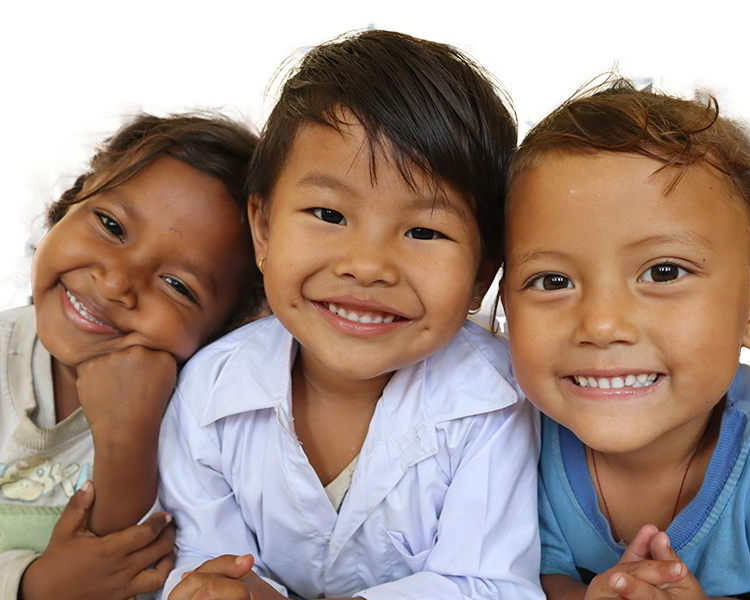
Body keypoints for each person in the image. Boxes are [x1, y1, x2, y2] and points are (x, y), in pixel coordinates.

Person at [158, 28, 543, 600]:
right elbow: (202, 563)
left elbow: (490, 587)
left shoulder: (496, 402)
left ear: (482, 275)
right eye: (328, 213)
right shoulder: (209, 394)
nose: (367, 266)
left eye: (423, 230)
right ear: (263, 230)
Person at [501, 74, 750, 599]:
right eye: (553, 281)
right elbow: (524, 572)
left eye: (664, 272)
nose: (602, 324)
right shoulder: (511, 433)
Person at [0, 100, 263, 600]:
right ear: (67, 206)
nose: (117, 282)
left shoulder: (206, 411)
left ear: (226, 328)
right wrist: (41, 585)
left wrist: (126, 441)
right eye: (111, 226)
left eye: (178, 285)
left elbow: (150, 574)